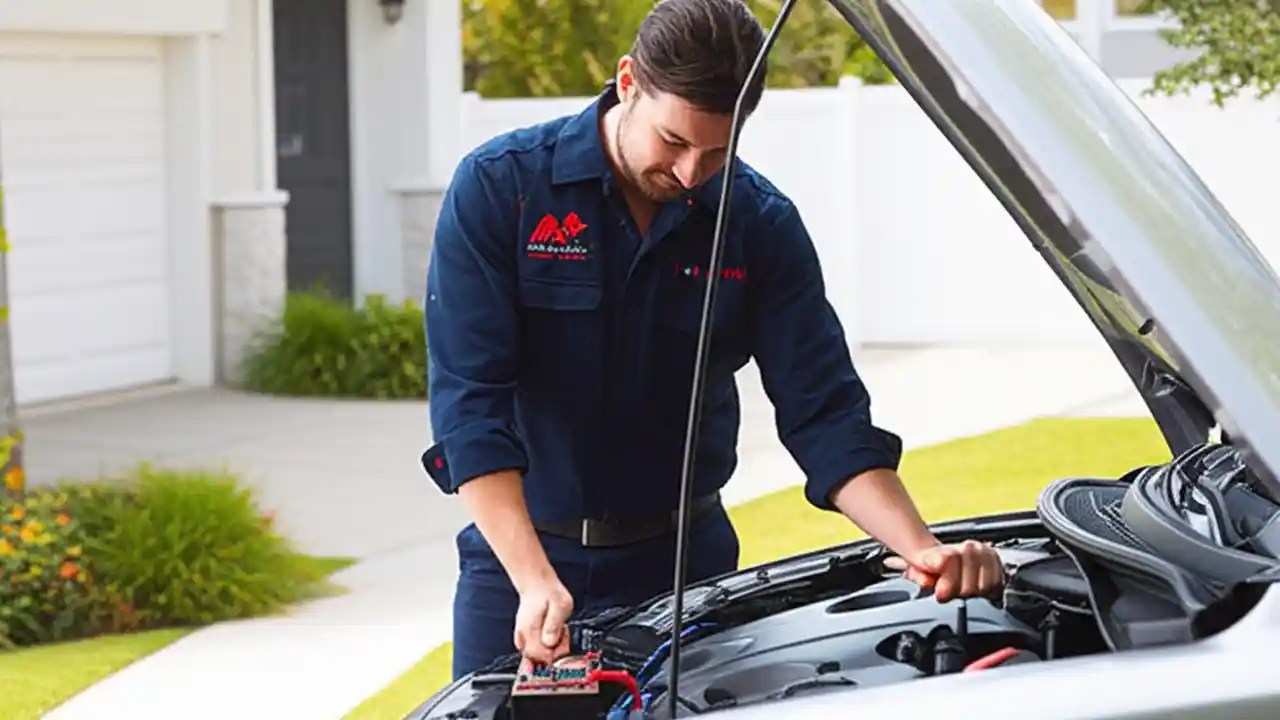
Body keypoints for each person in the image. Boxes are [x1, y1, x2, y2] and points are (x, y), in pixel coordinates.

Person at [420, 0, 1006, 681]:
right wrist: (533, 579)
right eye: (673, 142)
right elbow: (471, 407)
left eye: (719, 150)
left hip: (685, 569)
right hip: (516, 568)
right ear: (629, 81)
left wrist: (922, 548)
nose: (695, 172)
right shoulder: (503, 190)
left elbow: (826, 416)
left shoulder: (759, 224)